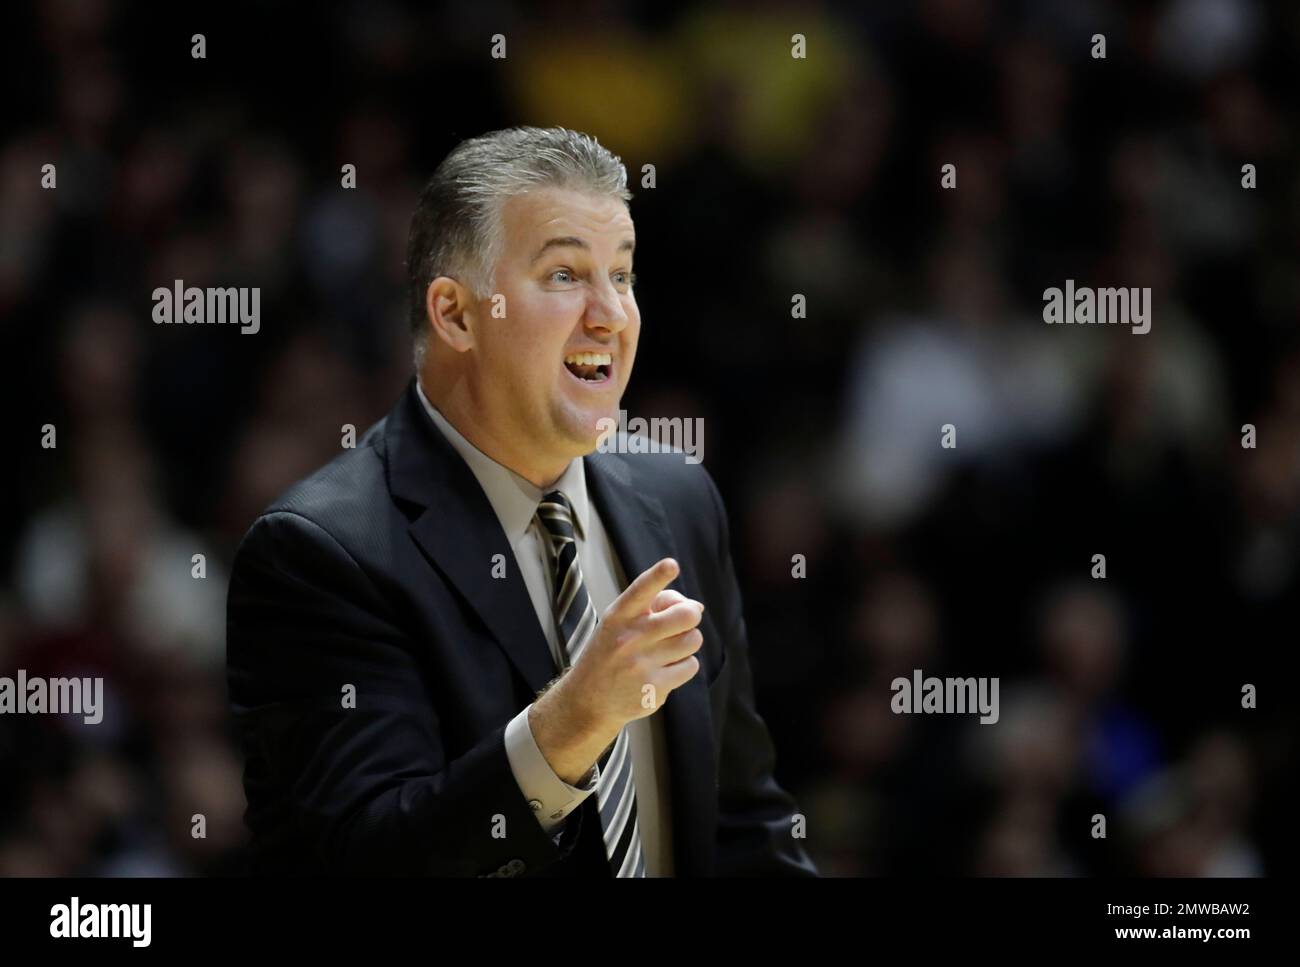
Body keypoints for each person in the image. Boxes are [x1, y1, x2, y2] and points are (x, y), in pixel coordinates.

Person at [226, 126, 817, 877]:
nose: (611, 315)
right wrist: (570, 723)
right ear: (457, 315)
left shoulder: (679, 497)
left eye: (623, 275)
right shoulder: (322, 551)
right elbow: (366, 860)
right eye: (566, 274)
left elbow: (745, 822)